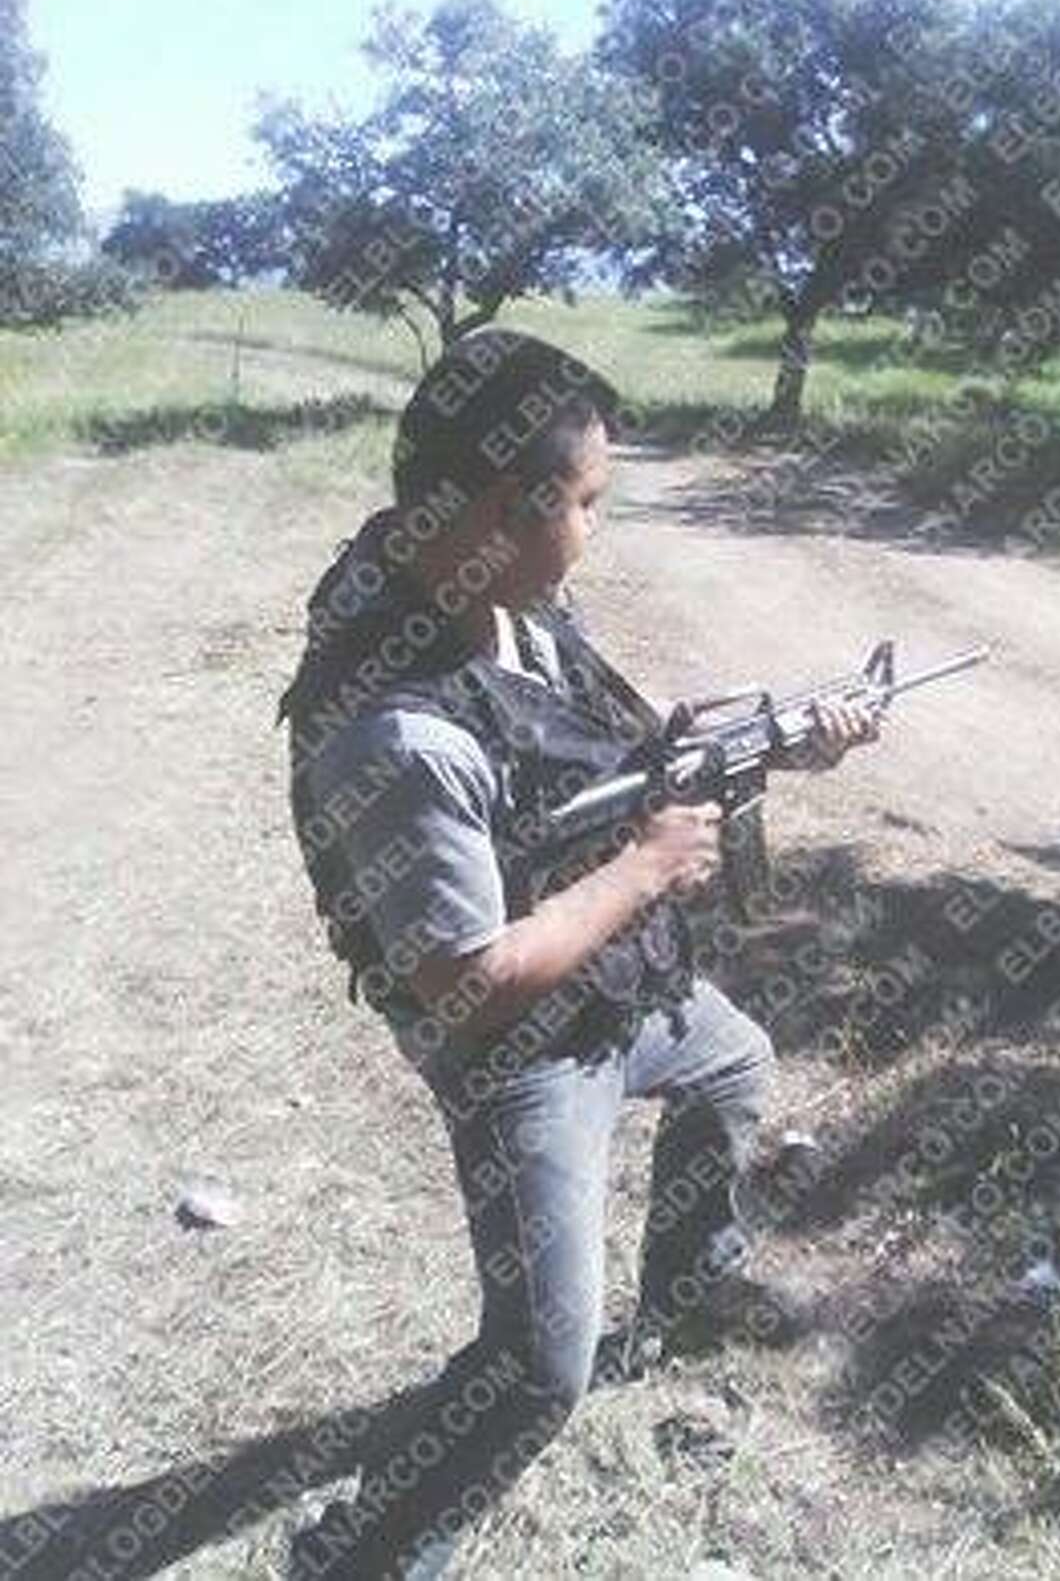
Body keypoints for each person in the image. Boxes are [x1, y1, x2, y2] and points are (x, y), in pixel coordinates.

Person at [277, 330, 877, 1579]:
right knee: (539, 1366)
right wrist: (651, 867)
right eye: (591, 503)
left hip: (601, 979)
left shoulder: (506, 604)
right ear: (504, 507)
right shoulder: (395, 729)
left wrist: (779, 737)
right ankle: (359, 1551)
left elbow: (613, 748)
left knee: (732, 1067)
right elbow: (470, 984)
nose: (599, 531)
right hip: (516, 1051)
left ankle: (673, 1307)